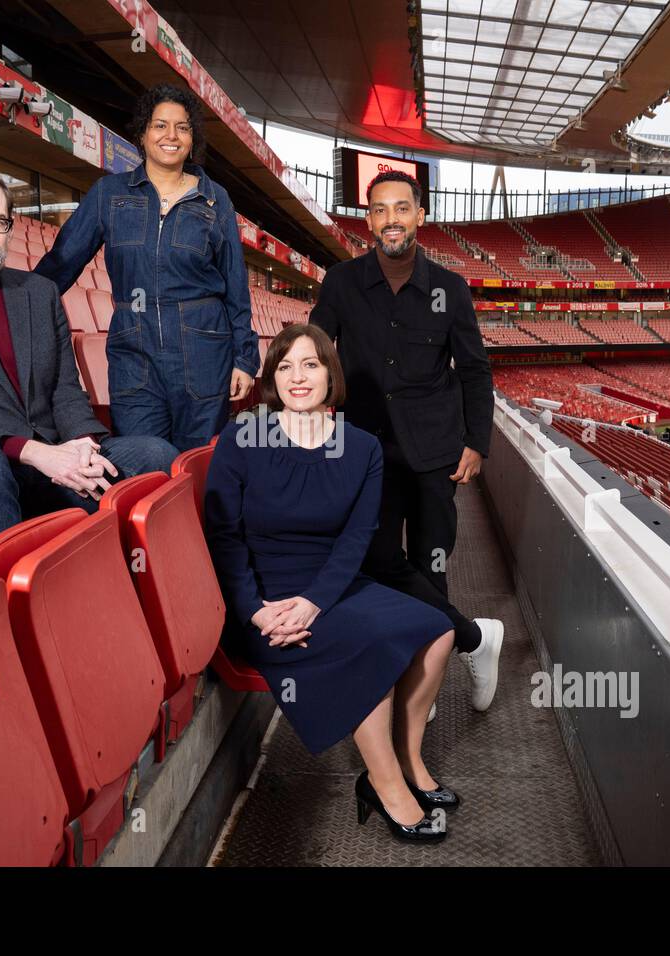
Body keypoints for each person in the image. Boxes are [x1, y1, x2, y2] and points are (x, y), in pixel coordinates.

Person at [205, 324, 457, 843]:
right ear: (272, 377)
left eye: (311, 364)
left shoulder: (361, 447)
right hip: (262, 600)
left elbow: (357, 537)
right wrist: (256, 610)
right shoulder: (242, 437)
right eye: (285, 366)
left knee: (439, 629)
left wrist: (317, 601)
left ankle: (408, 760)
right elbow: (224, 539)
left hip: (330, 587)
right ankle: (385, 785)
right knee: (369, 646)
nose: (298, 377)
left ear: (329, 374)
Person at [0, 169, 178, 554]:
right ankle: (8, 606)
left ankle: (140, 592)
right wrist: (34, 453)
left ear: (10, 228)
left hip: (49, 459)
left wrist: (84, 447)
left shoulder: (39, 293)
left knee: (157, 455)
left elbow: (65, 390)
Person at [310, 170, 504, 714]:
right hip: (364, 451)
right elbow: (317, 350)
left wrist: (477, 442)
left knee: (431, 563)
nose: (390, 219)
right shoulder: (342, 283)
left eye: (401, 208)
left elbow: (474, 370)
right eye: (379, 209)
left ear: (420, 215)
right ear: (367, 219)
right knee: (375, 559)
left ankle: (427, 679)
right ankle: (474, 638)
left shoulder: (451, 289)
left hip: (436, 452)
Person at [34, 83, 258, 451]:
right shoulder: (110, 193)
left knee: (195, 466)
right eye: (160, 125)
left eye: (182, 127)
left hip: (204, 353)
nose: (171, 136)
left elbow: (235, 285)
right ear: (142, 133)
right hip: (134, 354)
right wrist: (12, 302)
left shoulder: (216, 198)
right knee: (143, 459)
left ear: (192, 137)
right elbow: (61, 262)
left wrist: (245, 359)